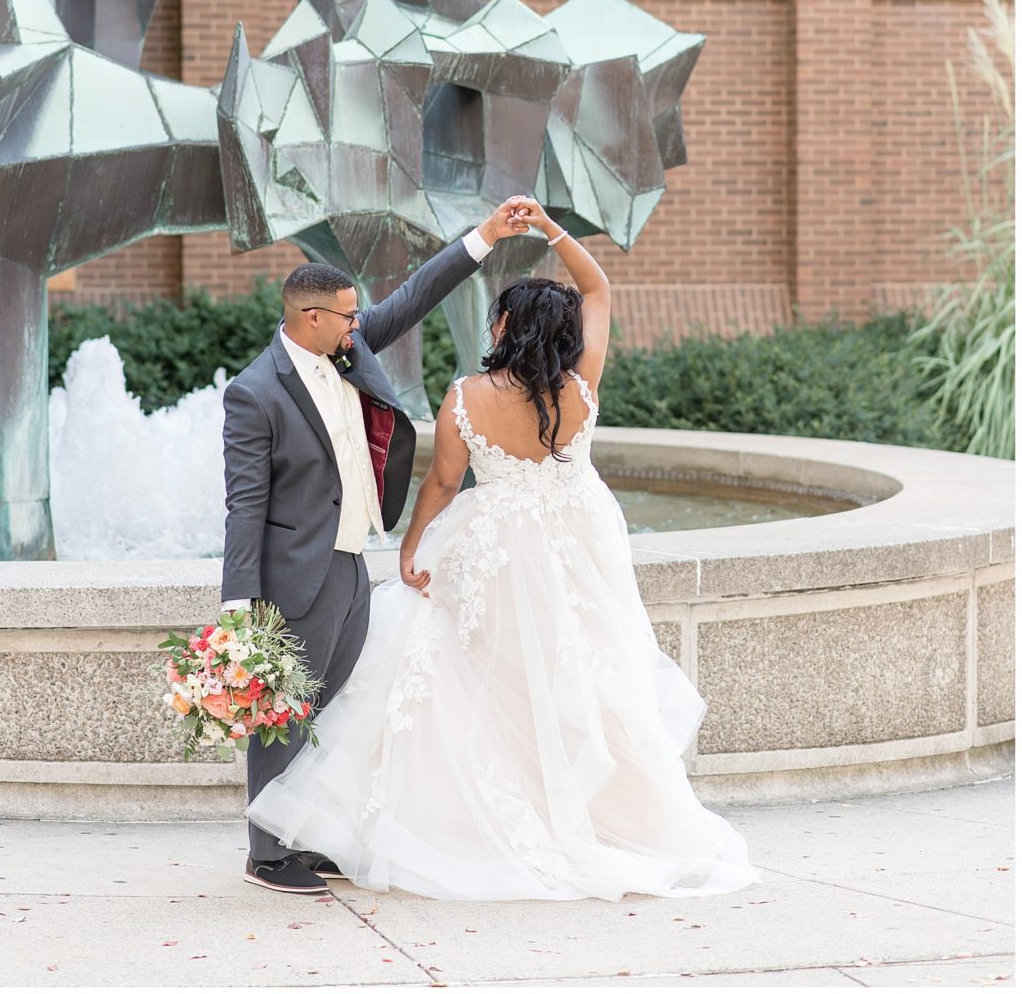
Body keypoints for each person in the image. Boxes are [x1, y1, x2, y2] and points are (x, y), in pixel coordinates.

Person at [245, 197, 761, 902]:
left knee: (466, 680)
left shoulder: (466, 397)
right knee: (573, 677)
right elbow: (599, 289)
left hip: (489, 549)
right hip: (577, 554)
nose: (356, 324)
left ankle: (466, 822)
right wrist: (550, 229)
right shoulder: (582, 386)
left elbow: (443, 481)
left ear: (505, 326)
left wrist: (413, 545)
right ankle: (581, 814)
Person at [221, 197, 532, 894]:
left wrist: (484, 235)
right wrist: (239, 602)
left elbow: (413, 295)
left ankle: (310, 832)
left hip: (351, 560)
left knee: (332, 700)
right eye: (346, 315)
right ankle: (267, 853)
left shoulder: (349, 347)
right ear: (311, 319)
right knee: (284, 708)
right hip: (293, 572)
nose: (359, 323)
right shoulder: (253, 394)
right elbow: (244, 504)